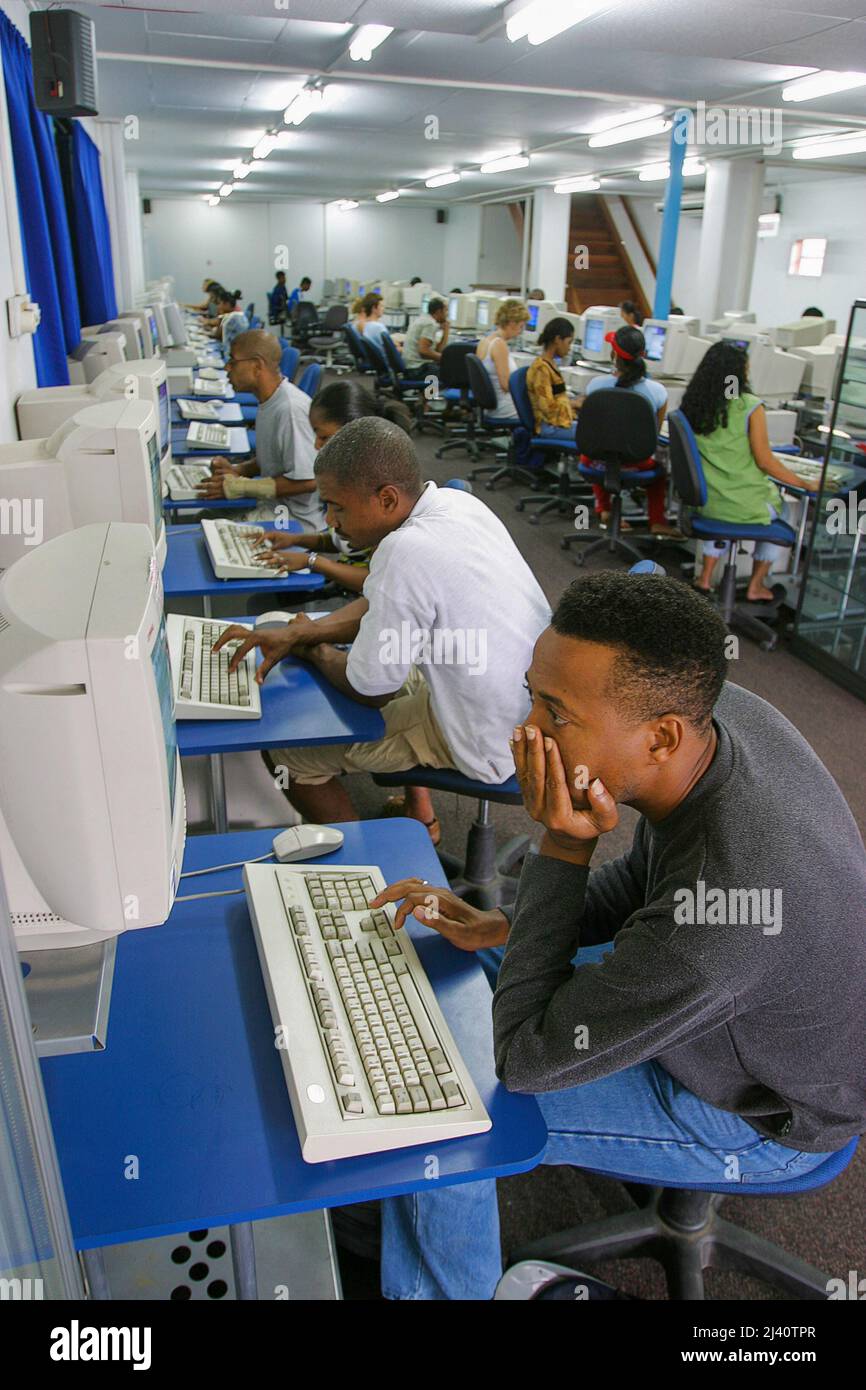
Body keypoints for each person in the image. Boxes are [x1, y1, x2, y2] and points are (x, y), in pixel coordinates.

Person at [365, 570, 866, 1300]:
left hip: (767, 1114)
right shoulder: (721, 722)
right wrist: (509, 921)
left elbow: (526, 1060)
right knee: (463, 973)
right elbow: (644, 884)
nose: (524, 732)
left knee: (445, 1124)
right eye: (532, 696)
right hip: (744, 1009)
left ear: (661, 736)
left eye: (555, 714)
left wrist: (562, 849)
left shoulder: (721, 916)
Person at [213, 418, 550, 839]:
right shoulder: (457, 504)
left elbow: (370, 690)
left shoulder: (403, 551)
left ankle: (362, 862)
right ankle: (419, 817)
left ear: (387, 499)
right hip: (525, 709)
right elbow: (383, 605)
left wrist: (312, 651)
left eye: (337, 506)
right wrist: (305, 633)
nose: (331, 522)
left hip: (491, 739)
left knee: (290, 755)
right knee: (385, 666)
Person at [680, 342, 820, 602]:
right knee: (784, 509)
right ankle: (756, 585)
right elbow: (765, 462)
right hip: (740, 505)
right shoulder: (749, 406)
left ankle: (705, 578)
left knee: (727, 506)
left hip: (705, 504)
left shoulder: (693, 405)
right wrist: (805, 483)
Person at [259, 380, 413, 594]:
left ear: (356, 433)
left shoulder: (378, 492)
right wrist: (295, 539)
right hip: (346, 586)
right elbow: (343, 540)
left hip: (364, 601)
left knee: (267, 603)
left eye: (324, 436)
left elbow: (380, 582)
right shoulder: (351, 479)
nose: (316, 445)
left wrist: (313, 562)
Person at [196, 329, 324, 529]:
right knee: (205, 514)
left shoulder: (290, 410)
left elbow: (308, 481)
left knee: (204, 529)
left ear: (257, 365)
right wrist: (239, 469)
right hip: (273, 505)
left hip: (293, 520)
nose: (227, 367)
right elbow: (276, 456)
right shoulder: (269, 401)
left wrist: (240, 486)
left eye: (233, 361)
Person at [583, 324, 681, 538]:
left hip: (596, 463)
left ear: (613, 354)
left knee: (599, 449)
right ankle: (657, 522)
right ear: (643, 355)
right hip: (636, 464)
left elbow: (592, 432)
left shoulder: (595, 386)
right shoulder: (658, 392)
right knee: (659, 472)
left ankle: (604, 509)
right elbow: (651, 437)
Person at [475, 297, 528, 423]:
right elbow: (506, 385)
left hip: (491, 406)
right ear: (512, 323)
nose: (521, 331)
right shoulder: (499, 345)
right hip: (504, 408)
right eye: (521, 326)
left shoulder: (485, 341)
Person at [526, 316, 578, 441]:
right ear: (557, 340)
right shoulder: (541, 369)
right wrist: (572, 403)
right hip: (549, 426)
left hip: (557, 422)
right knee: (596, 432)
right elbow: (547, 408)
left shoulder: (550, 364)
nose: (569, 348)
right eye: (568, 342)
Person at [402, 296, 449, 373]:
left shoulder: (423, 319)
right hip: (417, 369)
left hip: (411, 366)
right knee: (452, 372)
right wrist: (444, 358)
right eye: (446, 310)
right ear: (438, 311)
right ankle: (433, 385)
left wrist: (446, 331)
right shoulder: (430, 324)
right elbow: (423, 351)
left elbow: (438, 350)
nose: (447, 314)